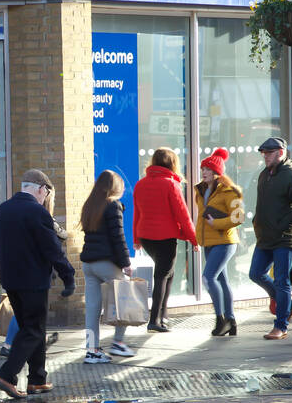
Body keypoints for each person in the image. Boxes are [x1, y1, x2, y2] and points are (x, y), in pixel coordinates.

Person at [0, 169, 75, 399]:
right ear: (41, 189)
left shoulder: (3, 210)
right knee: (34, 330)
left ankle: (37, 379)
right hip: (34, 280)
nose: (46, 198)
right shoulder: (37, 212)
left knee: (32, 327)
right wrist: (68, 275)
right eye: (46, 193)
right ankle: (7, 375)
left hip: (11, 281)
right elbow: (52, 249)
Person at [248, 137, 292, 339]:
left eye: (269, 153)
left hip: (284, 237)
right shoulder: (265, 174)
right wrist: (257, 221)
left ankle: (280, 326)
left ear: (281, 153)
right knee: (256, 273)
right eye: (263, 153)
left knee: (282, 280)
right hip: (265, 236)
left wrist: (282, 224)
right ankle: (290, 305)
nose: (265, 156)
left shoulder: (291, 174)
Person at [133, 148, 197, 332]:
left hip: (146, 236)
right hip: (165, 237)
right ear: (172, 163)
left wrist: (136, 238)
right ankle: (154, 320)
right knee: (162, 276)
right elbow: (183, 215)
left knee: (168, 274)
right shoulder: (171, 184)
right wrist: (194, 239)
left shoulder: (141, 184)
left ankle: (163, 315)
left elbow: (137, 214)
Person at [79, 169, 135, 363]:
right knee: (124, 302)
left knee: (93, 309)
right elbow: (118, 237)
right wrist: (126, 264)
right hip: (106, 263)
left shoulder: (90, 205)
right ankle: (118, 343)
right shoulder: (113, 206)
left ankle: (91, 351)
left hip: (88, 265)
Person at [193, 147, 244, 337]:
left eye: (207, 169)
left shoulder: (230, 191)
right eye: (202, 169)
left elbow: (238, 218)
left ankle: (220, 319)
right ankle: (231, 321)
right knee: (222, 280)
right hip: (209, 242)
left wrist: (217, 222)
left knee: (208, 278)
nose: (203, 172)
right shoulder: (201, 191)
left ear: (216, 173)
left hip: (225, 241)